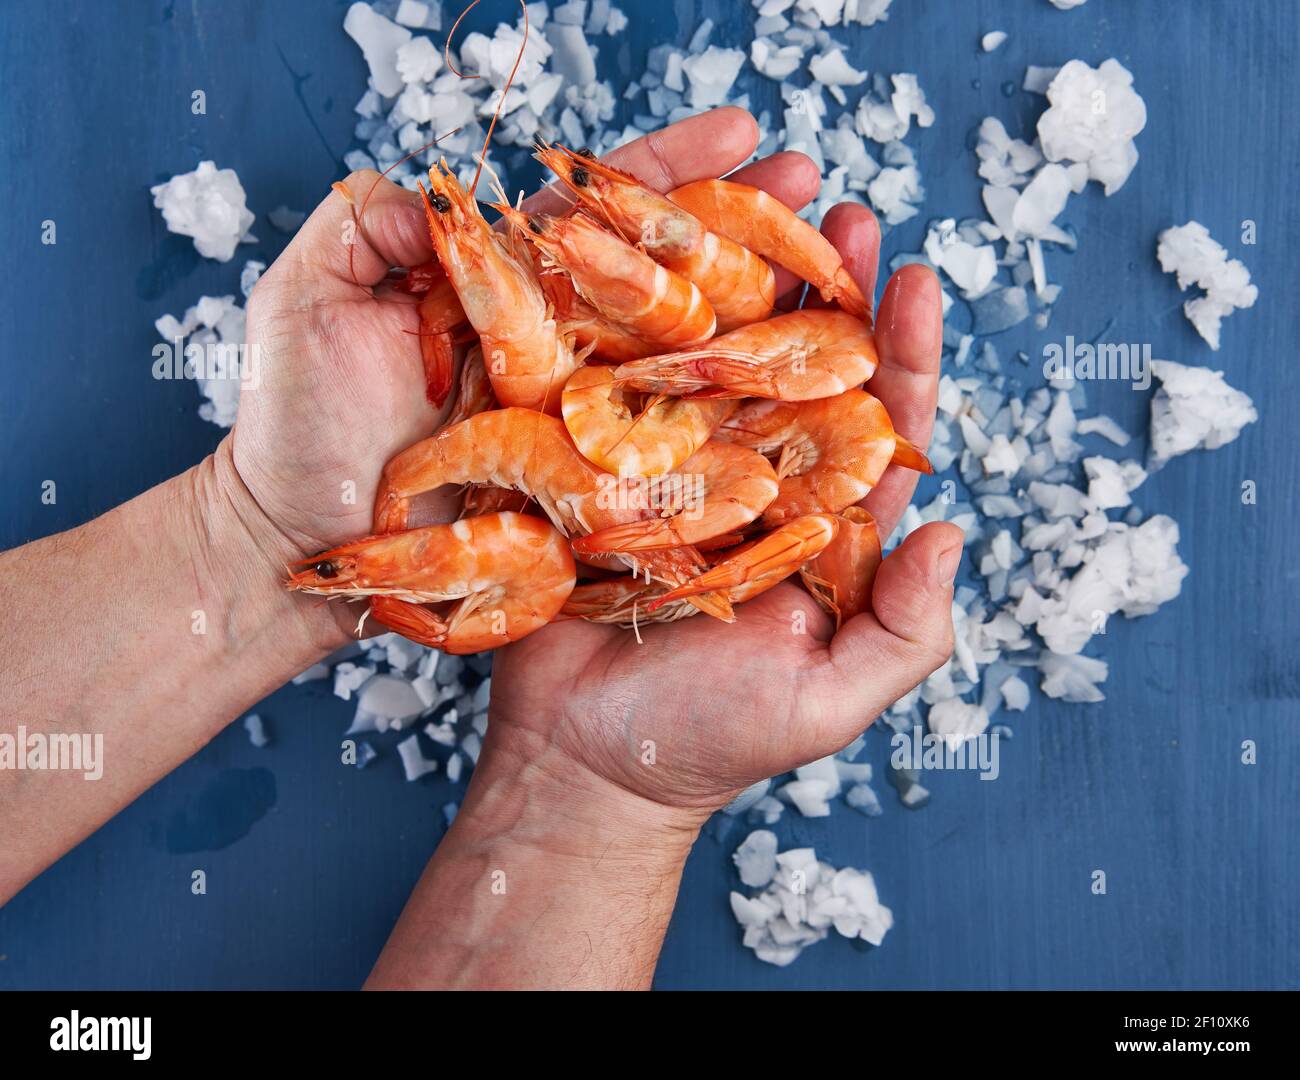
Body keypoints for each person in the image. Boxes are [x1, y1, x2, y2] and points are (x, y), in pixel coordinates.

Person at [0, 108, 960, 989]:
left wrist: (247, 537)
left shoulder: (707, 427)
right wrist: (258, 529)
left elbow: (662, 424)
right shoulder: (608, 403)